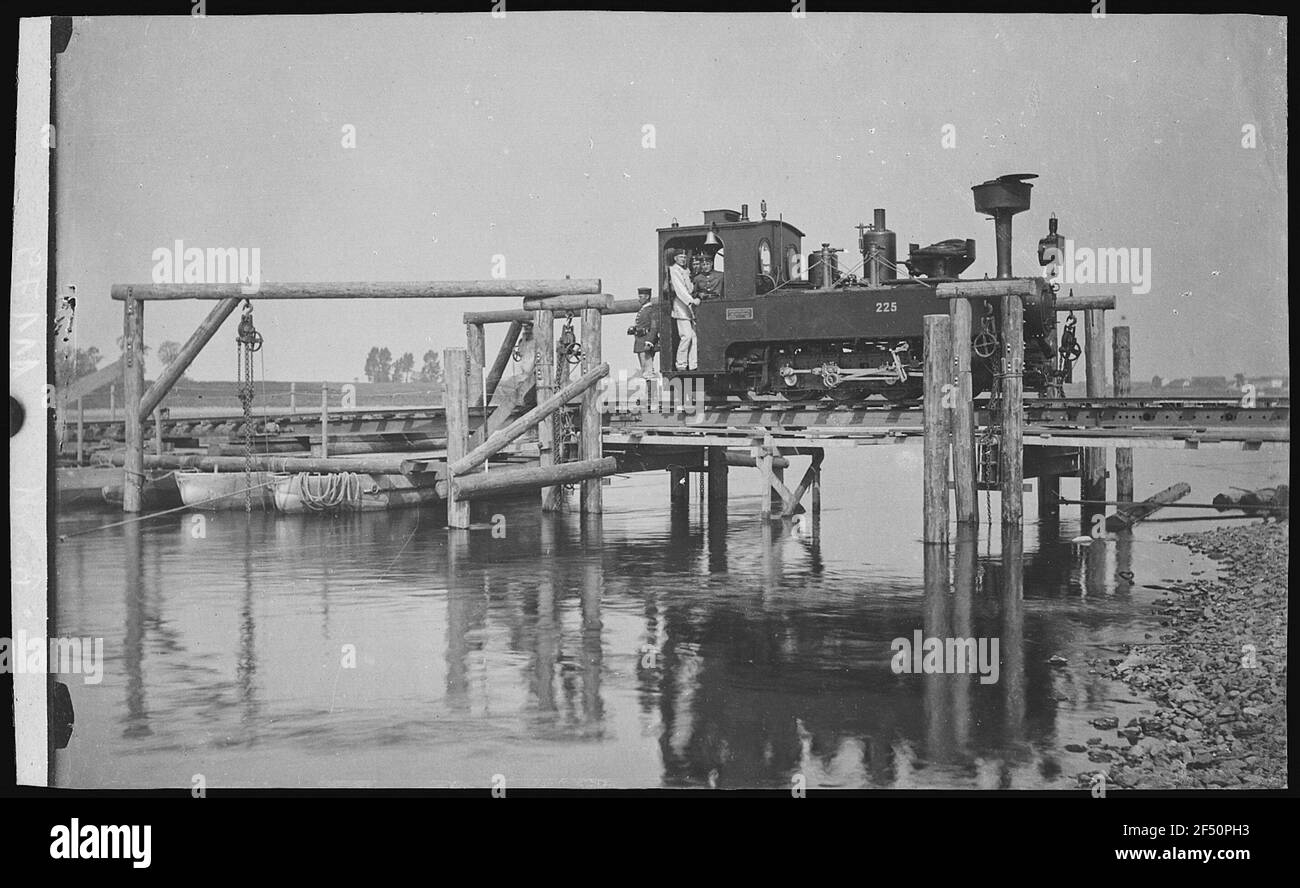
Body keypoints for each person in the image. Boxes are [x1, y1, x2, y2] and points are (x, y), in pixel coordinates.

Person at [668, 248, 699, 370]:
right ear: (675, 258)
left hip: (689, 307)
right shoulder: (674, 270)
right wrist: (691, 301)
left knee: (694, 336)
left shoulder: (686, 270)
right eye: (681, 257)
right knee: (686, 336)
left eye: (685, 257)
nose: (683, 259)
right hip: (681, 307)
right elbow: (680, 289)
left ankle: (693, 364)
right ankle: (680, 364)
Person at [629, 287, 659, 376]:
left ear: (647, 297)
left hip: (645, 341)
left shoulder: (651, 310)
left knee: (648, 370)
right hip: (640, 341)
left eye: (641, 296)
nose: (639, 299)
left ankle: (651, 389)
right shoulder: (643, 310)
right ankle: (649, 388)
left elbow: (654, 327)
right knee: (644, 369)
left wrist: (649, 342)